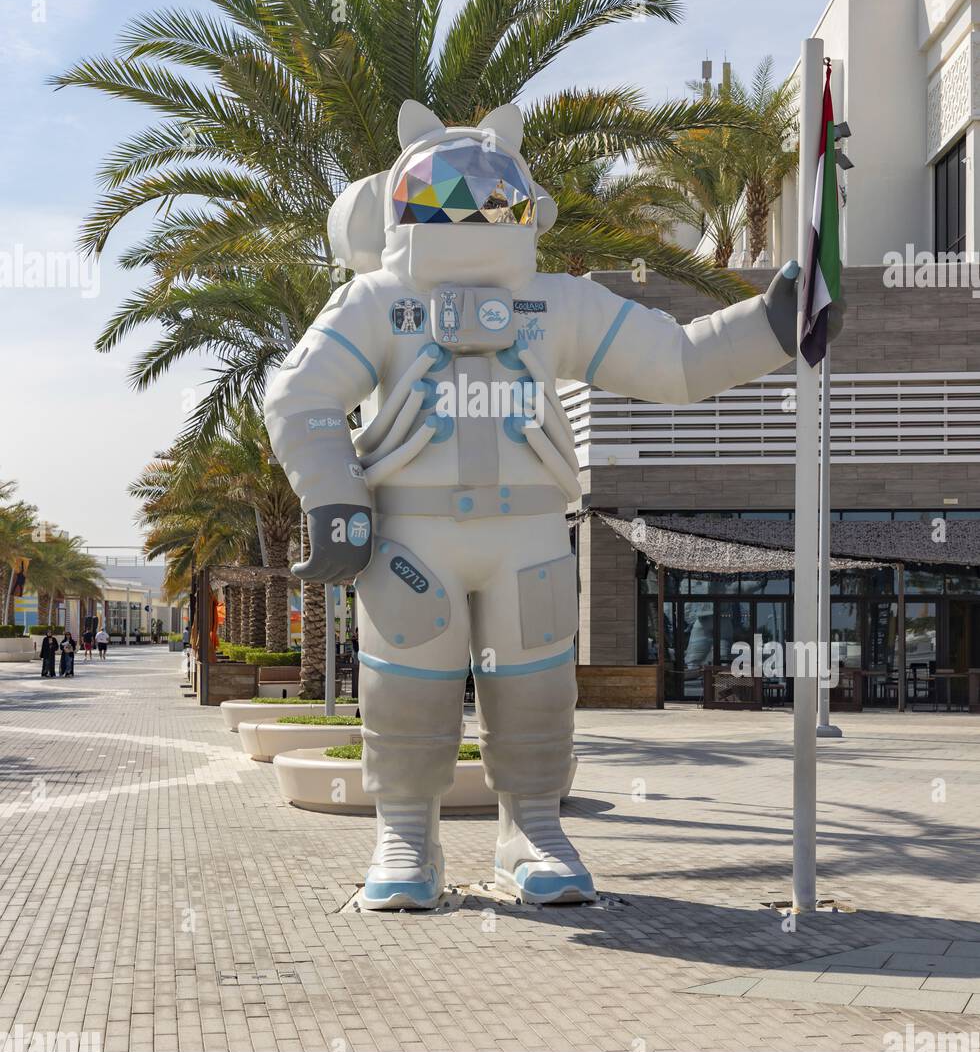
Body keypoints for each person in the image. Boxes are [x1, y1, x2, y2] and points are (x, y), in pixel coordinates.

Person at [264, 99, 842, 911]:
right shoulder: (376, 300)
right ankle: (404, 832)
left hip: (528, 528)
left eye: (489, 193)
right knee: (407, 684)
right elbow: (301, 398)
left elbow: (671, 362)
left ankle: (532, 827)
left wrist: (775, 324)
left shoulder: (553, 302)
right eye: (443, 192)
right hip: (410, 535)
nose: (468, 203)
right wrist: (333, 499)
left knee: (535, 685)